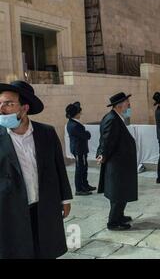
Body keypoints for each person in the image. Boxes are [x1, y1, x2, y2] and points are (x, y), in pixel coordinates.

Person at [0, 81, 72, 258]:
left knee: (46, 250)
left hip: (44, 206)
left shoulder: (46, 133)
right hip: (10, 211)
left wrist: (65, 199)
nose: (1, 109)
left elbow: (58, 168)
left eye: (8, 103)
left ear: (24, 108)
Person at [97, 93, 138, 231]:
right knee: (118, 193)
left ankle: (119, 216)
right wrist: (101, 154)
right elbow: (106, 139)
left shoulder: (117, 117)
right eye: (127, 102)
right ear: (120, 105)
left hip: (122, 164)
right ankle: (113, 222)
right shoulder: (112, 119)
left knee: (122, 192)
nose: (129, 105)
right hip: (117, 165)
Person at [66, 102, 95, 196]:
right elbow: (86, 135)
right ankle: (79, 189)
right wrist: (87, 133)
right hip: (79, 150)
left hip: (80, 149)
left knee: (84, 167)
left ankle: (85, 185)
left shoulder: (73, 123)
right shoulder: (74, 125)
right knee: (80, 169)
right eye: (80, 112)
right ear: (76, 114)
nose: (81, 114)